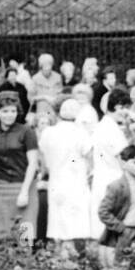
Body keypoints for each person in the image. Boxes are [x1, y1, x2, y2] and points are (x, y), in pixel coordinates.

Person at [36, 96, 93, 253]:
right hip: (76, 182)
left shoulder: (48, 132)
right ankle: (73, 260)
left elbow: (42, 157)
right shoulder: (81, 133)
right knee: (75, 225)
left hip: (57, 182)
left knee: (59, 223)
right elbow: (90, 156)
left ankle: (61, 259)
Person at [0, 93, 40, 246]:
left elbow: (33, 163)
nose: (9, 115)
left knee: (24, 235)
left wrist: (24, 191)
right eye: (5, 111)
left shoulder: (26, 132)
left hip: (24, 185)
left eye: (13, 111)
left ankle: (25, 268)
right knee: (2, 235)